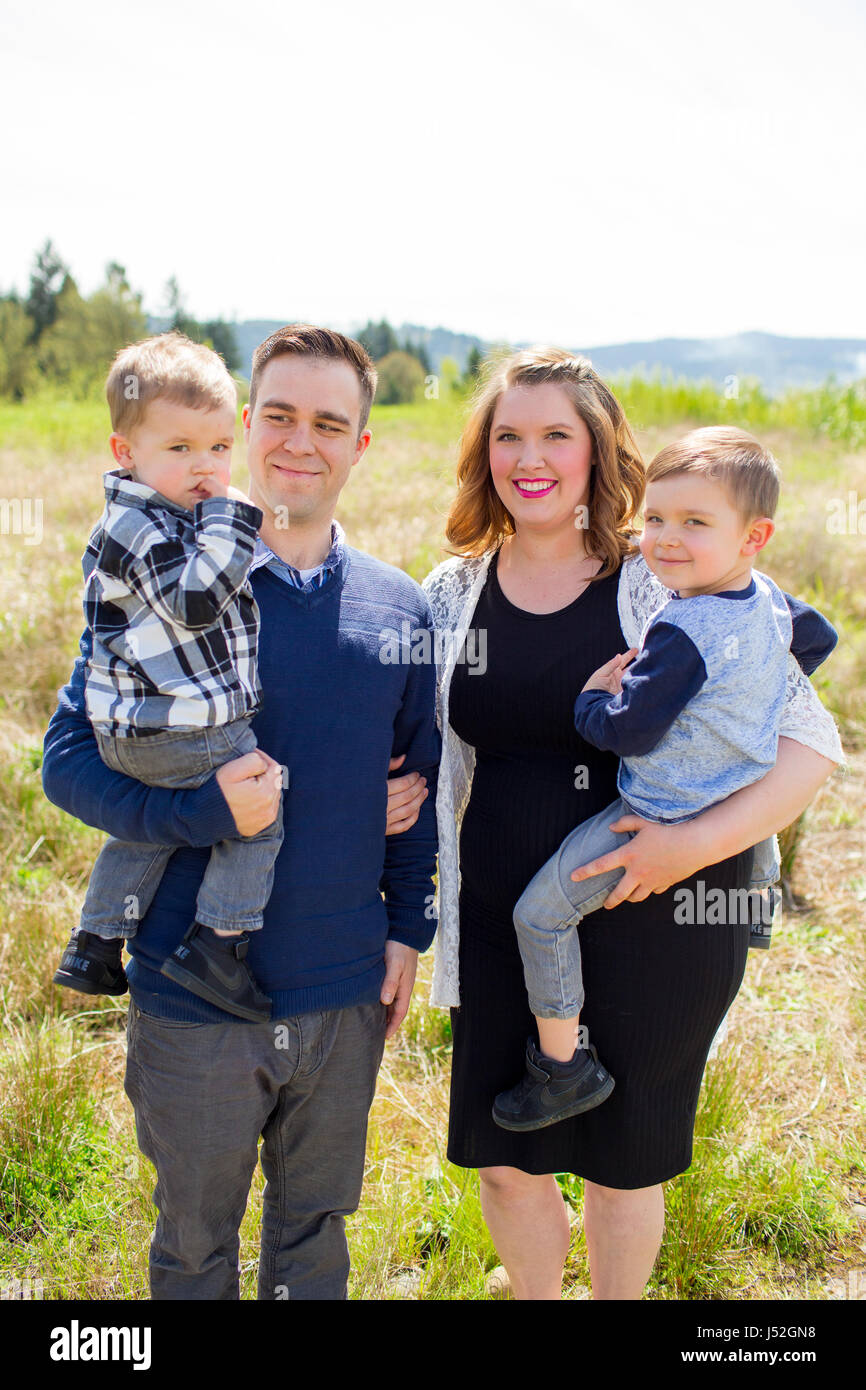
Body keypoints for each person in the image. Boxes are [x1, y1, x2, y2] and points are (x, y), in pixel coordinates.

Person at [414, 347, 843, 1300]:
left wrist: (684, 848)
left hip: (664, 910)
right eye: (508, 434)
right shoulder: (451, 594)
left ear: (600, 450)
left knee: (623, 1159)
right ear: (484, 452)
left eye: (556, 434)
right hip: (501, 920)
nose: (530, 456)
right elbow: (424, 747)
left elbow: (811, 746)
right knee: (505, 1153)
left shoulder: (665, 581)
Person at [41, 324, 440, 1300]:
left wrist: (404, 934)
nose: (301, 442)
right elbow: (66, 766)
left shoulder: (397, 609)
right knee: (192, 1248)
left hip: (341, 989)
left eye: (330, 422)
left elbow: (417, 790)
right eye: (281, 416)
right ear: (247, 426)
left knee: (313, 1238)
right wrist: (198, 812)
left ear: (360, 445)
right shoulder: (167, 593)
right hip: (192, 992)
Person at [492, 426, 838, 1132]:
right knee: (748, 819)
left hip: (655, 813)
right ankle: (756, 906)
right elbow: (821, 639)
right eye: (654, 519)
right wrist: (752, 696)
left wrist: (591, 697)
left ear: (753, 535)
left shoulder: (681, 632)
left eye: (694, 523)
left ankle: (562, 1068)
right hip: (738, 798)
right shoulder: (768, 599)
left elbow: (627, 730)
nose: (665, 539)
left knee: (539, 914)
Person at [52, 333, 280, 1022]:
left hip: (142, 736)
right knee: (259, 817)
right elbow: (196, 604)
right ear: (127, 453)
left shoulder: (156, 515)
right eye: (179, 450)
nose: (205, 469)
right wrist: (237, 522)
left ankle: (95, 941)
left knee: (146, 832)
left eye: (217, 449)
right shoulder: (139, 526)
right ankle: (220, 941)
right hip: (178, 731)